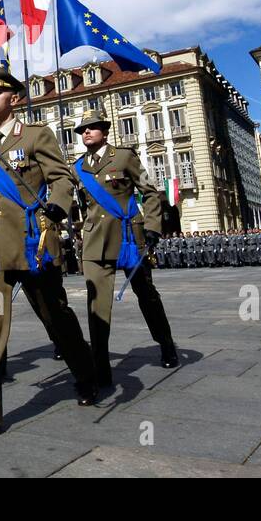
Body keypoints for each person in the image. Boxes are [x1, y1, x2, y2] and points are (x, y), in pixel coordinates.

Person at [0, 64, 96, 445]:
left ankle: (85, 372)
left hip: (33, 245)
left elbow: (62, 178)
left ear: (13, 98)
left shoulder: (35, 135)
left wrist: (58, 207)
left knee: (56, 318)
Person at [72, 109, 177, 390]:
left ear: (104, 131)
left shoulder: (124, 157)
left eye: (92, 127)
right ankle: (101, 365)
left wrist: (154, 226)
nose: (86, 132)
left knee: (147, 294)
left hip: (130, 236)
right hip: (95, 240)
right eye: (82, 129)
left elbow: (151, 191)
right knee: (96, 303)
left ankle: (165, 342)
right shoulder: (78, 167)